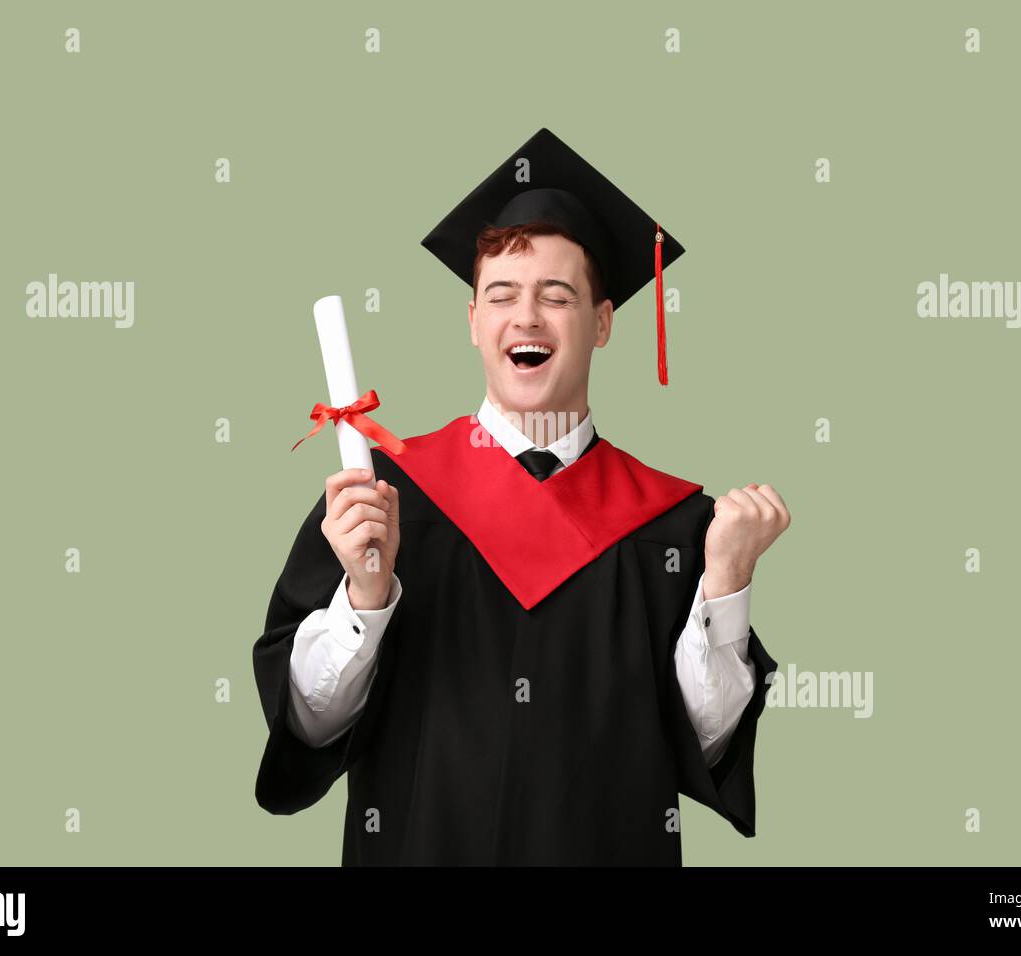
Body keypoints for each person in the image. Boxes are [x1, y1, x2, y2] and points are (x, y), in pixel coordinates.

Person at [252, 127, 790, 865]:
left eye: (557, 296)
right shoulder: (381, 501)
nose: (526, 317)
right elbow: (309, 730)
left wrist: (727, 583)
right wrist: (365, 598)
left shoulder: (677, 527)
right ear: (473, 321)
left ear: (602, 323)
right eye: (500, 295)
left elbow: (705, 744)